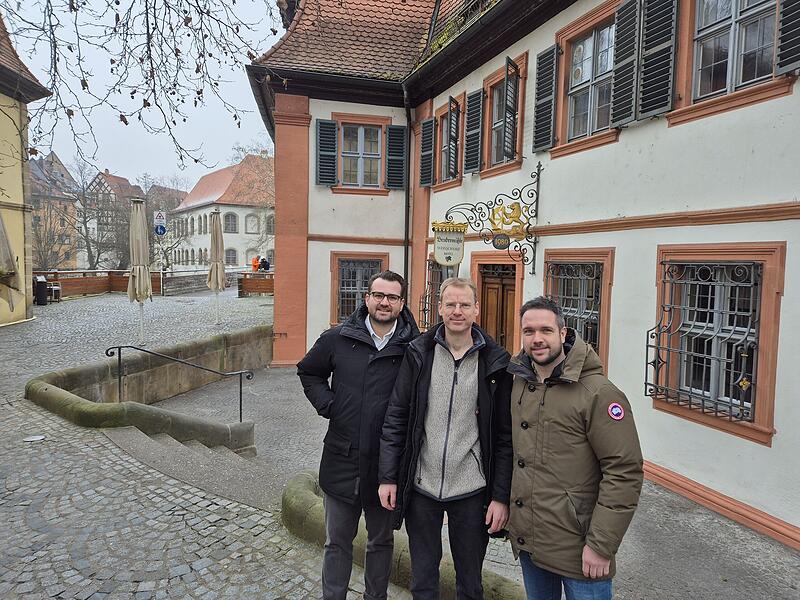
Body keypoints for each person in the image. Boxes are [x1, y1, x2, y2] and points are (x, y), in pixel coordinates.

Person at [378, 277, 513, 599]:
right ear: (439, 308)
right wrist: (388, 477)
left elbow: (505, 437)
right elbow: (396, 417)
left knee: (470, 582)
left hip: (471, 488)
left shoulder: (495, 361)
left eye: (464, 305)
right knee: (423, 580)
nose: (457, 311)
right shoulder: (419, 352)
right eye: (450, 304)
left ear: (476, 309)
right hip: (422, 485)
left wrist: (500, 496)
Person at [506, 296, 643, 600]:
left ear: (564, 333)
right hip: (532, 541)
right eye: (529, 331)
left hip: (581, 549)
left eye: (545, 330)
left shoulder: (599, 393)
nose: (537, 339)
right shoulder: (519, 381)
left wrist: (601, 545)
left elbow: (624, 472)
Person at [297, 270, 419, 600]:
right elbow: (309, 372)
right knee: (337, 541)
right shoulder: (337, 338)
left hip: (386, 466)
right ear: (366, 299)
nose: (384, 302)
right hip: (342, 458)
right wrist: (329, 405)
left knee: (381, 543)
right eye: (378, 295)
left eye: (392, 297)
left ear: (401, 303)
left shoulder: (415, 348)